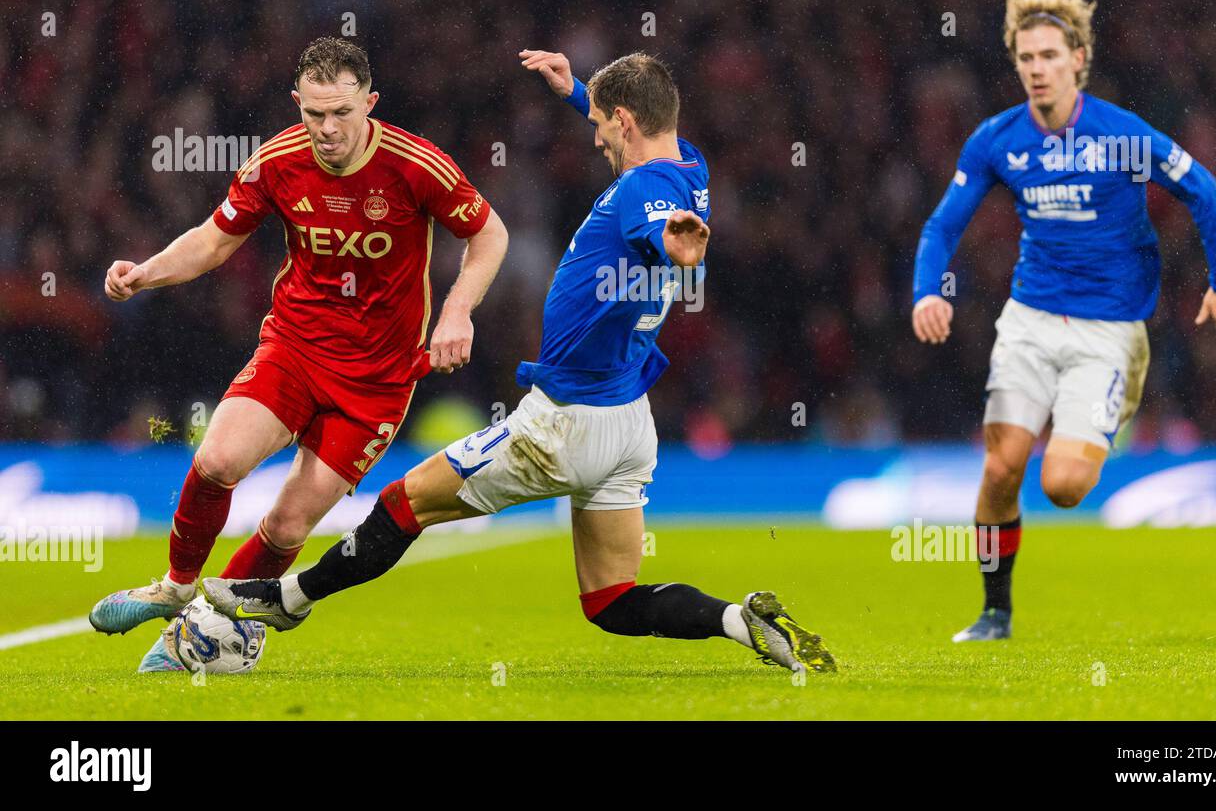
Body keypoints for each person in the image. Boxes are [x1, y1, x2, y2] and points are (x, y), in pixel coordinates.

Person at [204, 49, 836, 674]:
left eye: (597, 126)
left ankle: (288, 599)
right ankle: (737, 619)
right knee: (611, 599)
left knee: (404, 502)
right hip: (628, 426)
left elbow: (658, 224)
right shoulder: (689, 163)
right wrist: (574, 90)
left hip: (565, 420)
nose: (595, 142)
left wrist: (676, 241)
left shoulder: (648, 188)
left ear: (624, 122)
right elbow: (644, 140)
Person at [89, 37, 509, 672]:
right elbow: (212, 241)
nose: (328, 130)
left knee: (287, 527)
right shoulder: (276, 162)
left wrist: (455, 311)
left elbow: (488, 233)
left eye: (342, 113)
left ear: (370, 102)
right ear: (297, 104)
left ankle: (218, 630)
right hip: (295, 347)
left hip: (377, 381)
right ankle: (175, 590)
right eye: (314, 114)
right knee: (218, 458)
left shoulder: (416, 164)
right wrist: (144, 273)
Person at [910, 0, 1216, 642]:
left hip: (1108, 327)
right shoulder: (997, 139)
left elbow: (1203, 189)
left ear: (1078, 62)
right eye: (1026, 58)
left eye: (1049, 57)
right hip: (1031, 318)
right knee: (1002, 465)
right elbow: (942, 226)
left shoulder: (1122, 136)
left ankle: (1116, 395)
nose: (1037, 69)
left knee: (1064, 485)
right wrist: (928, 289)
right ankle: (994, 612)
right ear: (1017, 63)